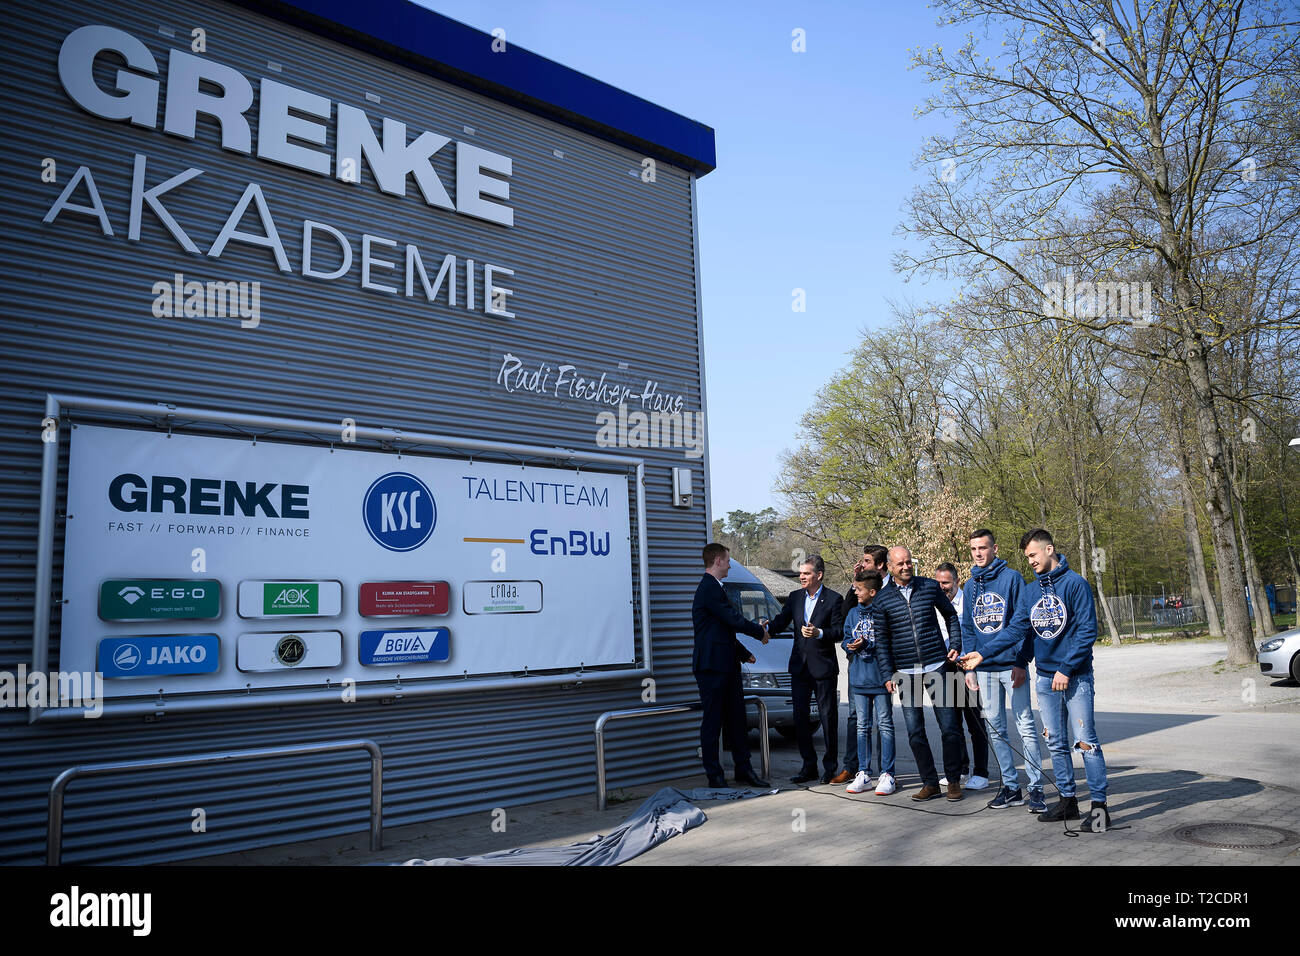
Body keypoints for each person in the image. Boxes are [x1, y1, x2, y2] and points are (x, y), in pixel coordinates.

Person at [960, 529, 1111, 831]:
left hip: (1075, 677)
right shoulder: (1031, 591)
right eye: (1026, 556)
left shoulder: (1076, 584)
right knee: (1055, 742)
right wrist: (982, 654)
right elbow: (1017, 630)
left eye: (1033, 554)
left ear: (1049, 549)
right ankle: (1068, 801)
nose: (1029, 561)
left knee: (1086, 743)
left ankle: (1099, 810)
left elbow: (1087, 631)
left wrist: (1066, 668)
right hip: (1045, 679)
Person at [957, 529, 1046, 812]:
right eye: (974, 549)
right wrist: (969, 669)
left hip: (1011, 667)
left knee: (1025, 726)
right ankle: (1011, 788)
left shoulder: (1012, 579)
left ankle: (1036, 787)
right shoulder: (970, 586)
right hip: (983, 669)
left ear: (994, 549)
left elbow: (1024, 624)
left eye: (983, 548)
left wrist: (1021, 662)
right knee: (995, 729)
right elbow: (968, 628)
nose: (978, 553)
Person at [872, 546, 966, 800]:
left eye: (908, 562)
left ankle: (953, 781)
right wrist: (887, 674)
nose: (906, 567)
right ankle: (930, 783)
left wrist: (955, 644)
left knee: (950, 727)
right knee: (915, 732)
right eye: (900, 564)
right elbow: (882, 642)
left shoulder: (929, 586)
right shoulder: (882, 599)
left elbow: (951, 616)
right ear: (889, 567)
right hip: (905, 672)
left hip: (937, 665)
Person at [691, 543, 771, 789]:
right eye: (727, 561)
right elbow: (732, 620)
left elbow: (722, 630)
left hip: (727, 665)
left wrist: (744, 654)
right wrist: (759, 631)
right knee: (713, 721)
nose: (729, 565)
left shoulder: (717, 588)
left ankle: (743, 769)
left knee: (737, 719)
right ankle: (714, 775)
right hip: (711, 667)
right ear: (717, 561)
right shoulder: (709, 588)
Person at [763, 554, 844, 784]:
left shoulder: (834, 599)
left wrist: (819, 633)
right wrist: (764, 630)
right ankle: (808, 766)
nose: (801, 577)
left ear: (819, 575)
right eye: (800, 573)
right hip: (800, 668)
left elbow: (839, 631)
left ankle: (830, 768)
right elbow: (781, 621)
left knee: (828, 718)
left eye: (806, 573)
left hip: (823, 668)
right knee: (800, 718)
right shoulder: (795, 597)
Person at [832, 543, 890, 784]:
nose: (862, 564)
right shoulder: (858, 594)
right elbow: (846, 616)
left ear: (880, 565)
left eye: (866, 561)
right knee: (856, 719)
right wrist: (855, 583)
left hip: (880, 670)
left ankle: (886, 771)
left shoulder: (890, 592)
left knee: (884, 723)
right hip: (858, 668)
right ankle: (855, 768)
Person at [934, 562, 989, 791]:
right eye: (938, 583)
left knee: (975, 723)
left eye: (946, 583)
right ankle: (961, 770)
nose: (942, 587)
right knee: (952, 724)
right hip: (945, 669)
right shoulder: (934, 603)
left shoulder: (969, 602)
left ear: (957, 581)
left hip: (968, 668)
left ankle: (981, 772)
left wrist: (971, 668)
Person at [840, 570, 896, 795]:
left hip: (881, 679)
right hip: (859, 679)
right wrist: (850, 645)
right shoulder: (852, 613)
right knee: (862, 726)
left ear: (872, 592)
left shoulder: (884, 613)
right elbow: (845, 638)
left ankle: (888, 774)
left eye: (859, 589)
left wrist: (867, 644)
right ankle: (863, 773)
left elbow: (888, 643)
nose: (855, 592)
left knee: (885, 725)